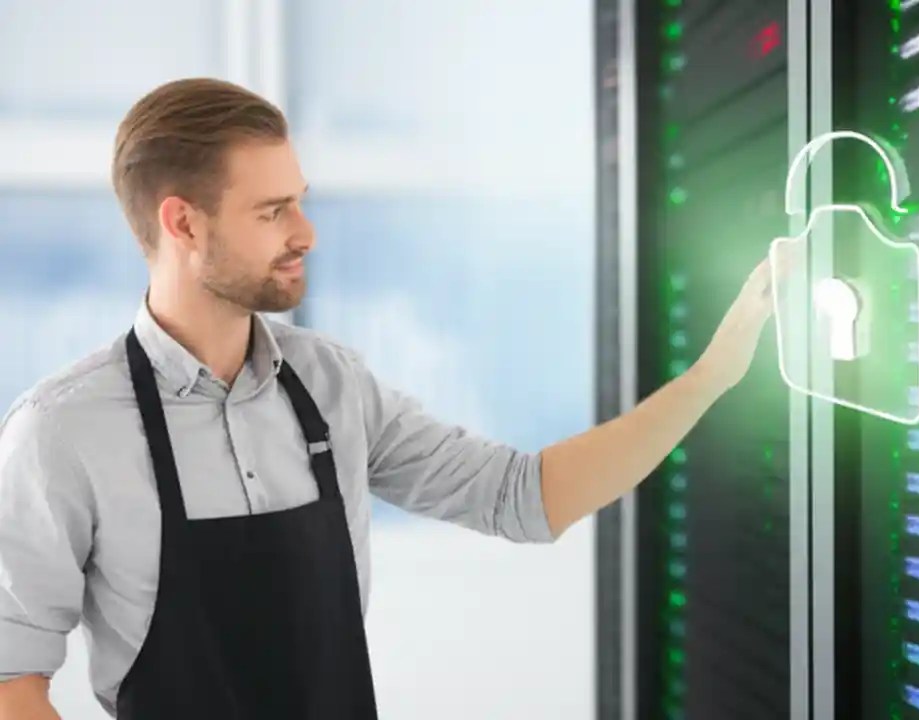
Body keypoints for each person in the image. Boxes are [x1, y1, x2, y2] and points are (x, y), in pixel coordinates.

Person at [0, 78, 774, 719]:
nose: (306, 232)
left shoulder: (334, 385)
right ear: (183, 223)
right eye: (272, 211)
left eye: (299, 201)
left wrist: (711, 377)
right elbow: (12, 681)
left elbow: (524, 496)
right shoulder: (63, 430)